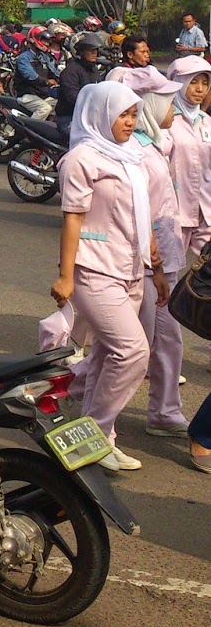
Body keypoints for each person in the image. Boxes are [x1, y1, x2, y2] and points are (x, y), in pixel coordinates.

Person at [51, 81, 168, 472]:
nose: (130, 121)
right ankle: (95, 436)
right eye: (123, 114)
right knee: (133, 352)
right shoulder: (82, 159)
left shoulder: (131, 154)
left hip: (131, 270)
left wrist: (157, 268)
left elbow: (142, 216)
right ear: (100, 114)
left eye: (134, 114)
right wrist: (65, 277)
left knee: (105, 355)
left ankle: (97, 436)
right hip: (93, 270)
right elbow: (72, 220)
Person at [114, 67, 189, 437]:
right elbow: (138, 211)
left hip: (165, 257)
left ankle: (164, 410)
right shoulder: (135, 151)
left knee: (168, 339)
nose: (174, 106)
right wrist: (154, 262)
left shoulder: (155, 141)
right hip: (145, 262)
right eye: (168, 100)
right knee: (133, 346)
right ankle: (75, 392)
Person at [166, 56, 211, 256]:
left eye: (205, 83)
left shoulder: (206, 121)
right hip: (175, 211)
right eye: (193, 82)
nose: (200, 89)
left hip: (206, 210)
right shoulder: (165, 122)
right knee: (168, 274)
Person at [55, 32, 104, 131]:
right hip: (69, 118)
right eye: (91, 50)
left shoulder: (93, 69)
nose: (95, 53)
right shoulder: (70, 71)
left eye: (96, 50)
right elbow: (73, 97)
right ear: (80, 51)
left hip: (88, 117)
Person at [13, 26, 58, 118]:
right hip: (26, 95)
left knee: (62, 106)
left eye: (48, 40)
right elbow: (31, 77)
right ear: (35, 39)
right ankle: (29, 131)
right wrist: (47, 81)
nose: (47, 43)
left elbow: (54, 72)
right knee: (45, 109)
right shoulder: (24, 58)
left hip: (42, 95)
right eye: (44, 40)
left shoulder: (44, 57)